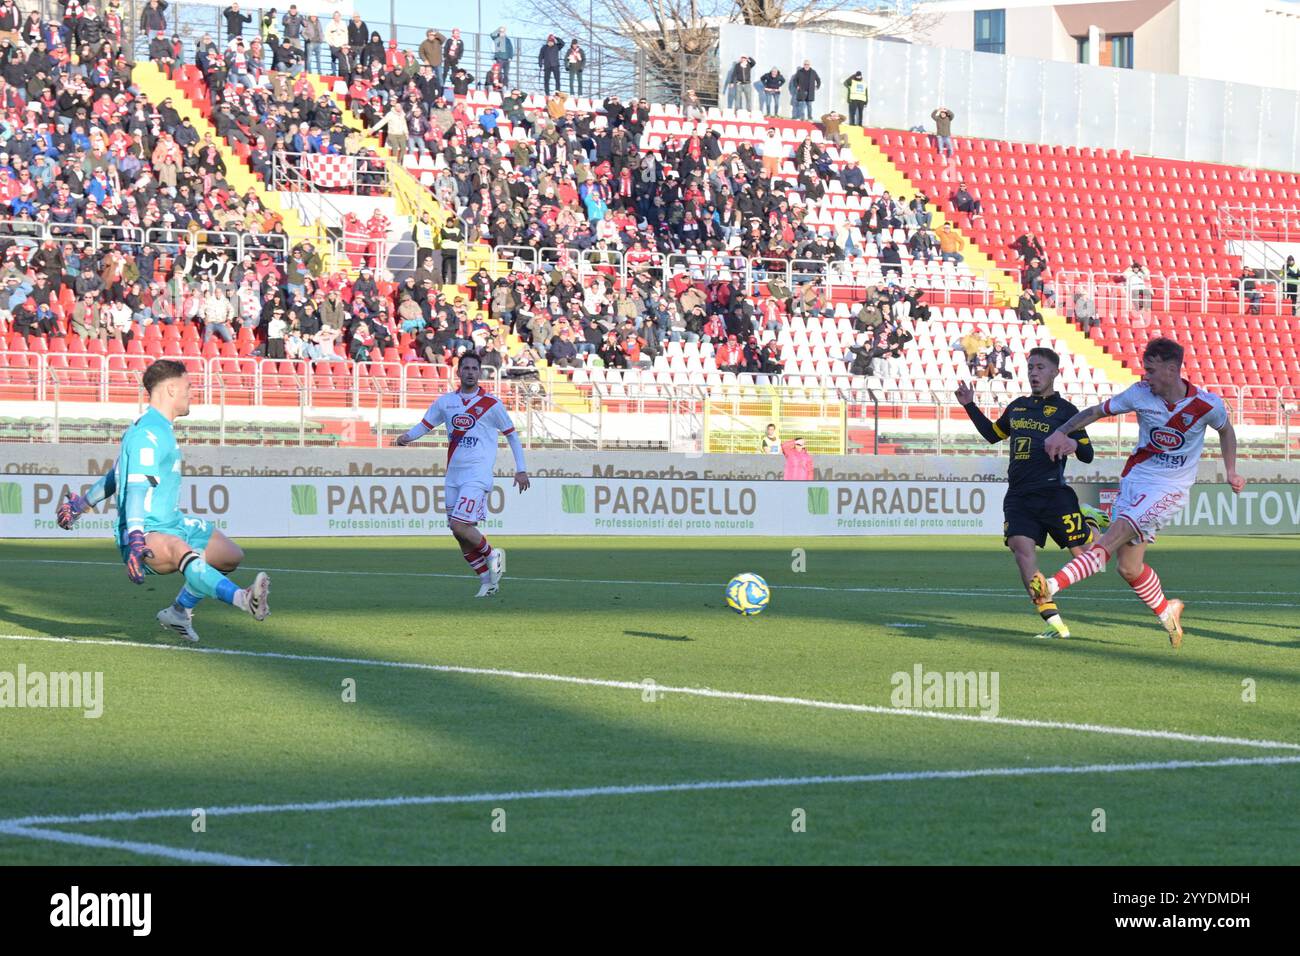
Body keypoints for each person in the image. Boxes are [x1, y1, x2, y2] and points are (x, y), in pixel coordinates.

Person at [1033, 337, 1244, 647]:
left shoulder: (1206, 405)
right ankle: (1166, 612)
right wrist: (1060, 431)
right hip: (1135, 481)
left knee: (1110, 537)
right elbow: (1095, 412)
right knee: (1129, 567)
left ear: (1172, 370)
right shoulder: (1139, 394)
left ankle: (1051, 585)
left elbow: (1226, 430)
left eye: (1151, 370)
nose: (1145, 376)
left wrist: (1231, 469)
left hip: (1169, 488)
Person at [54, 360, 270, 641]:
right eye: (188, 386)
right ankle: (243, 599)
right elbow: (135, 489)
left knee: (230, 556)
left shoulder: (158, 429)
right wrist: (135, 537)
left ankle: (179, 611)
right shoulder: (148, 433)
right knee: (180, 550)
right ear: (170, 389)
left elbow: (117, 475)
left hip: (173, 522)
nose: (192, 392)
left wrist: (81, 505)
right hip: (148, 530)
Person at [957, 348, 1104, 639]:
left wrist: (1073, 445)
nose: (1034, 373)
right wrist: (970, 406)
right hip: (1019, 496)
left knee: (1090, 559)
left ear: (1054, 373)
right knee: (1021, 551)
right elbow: (993, 435)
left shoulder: (1066, 412)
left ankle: (1090, 521)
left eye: (1040, 367)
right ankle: (1053, 622)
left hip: (1053, 493)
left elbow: (1087, 453)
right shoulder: (1018, 407)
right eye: (1030, 368)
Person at [393, 353, 530, 598]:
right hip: (453, 476)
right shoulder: (446, 402)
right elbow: (425, 425)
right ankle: (488, 582)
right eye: (465, 368)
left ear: (480, 373)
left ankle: (492, 554)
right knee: (458, 532)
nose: (469, 372)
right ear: (458, 372)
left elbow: (512, 434)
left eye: (474, 368)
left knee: (460, 524)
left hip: (477, 474)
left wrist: (521, 469)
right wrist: (407, 438)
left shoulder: (491, 404)